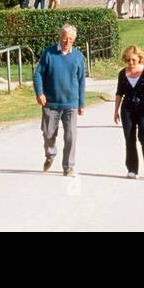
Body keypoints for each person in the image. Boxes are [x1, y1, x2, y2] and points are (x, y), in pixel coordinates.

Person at [33, 24, 86, 176]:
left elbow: (81, 80)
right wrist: (40, 93)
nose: (67, 41)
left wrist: (81, 103)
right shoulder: (49, 53)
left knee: (71, 136)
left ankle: (68, 167)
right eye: (65, 37)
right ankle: (50, 155)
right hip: (51, 102)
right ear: (59, 37)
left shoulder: (77, 56)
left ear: (74, 40)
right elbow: (38, 75)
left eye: (70, 39)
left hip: (71, 102)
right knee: (48, 134)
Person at [113, 46, 144, 178]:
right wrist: (116, 111)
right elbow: (119, 93)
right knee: (129, 138)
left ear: (139, 58)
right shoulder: (122, 73)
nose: (131, 63)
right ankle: (132, 168)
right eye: (128, 61)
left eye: (133, 60)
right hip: (127, 109)